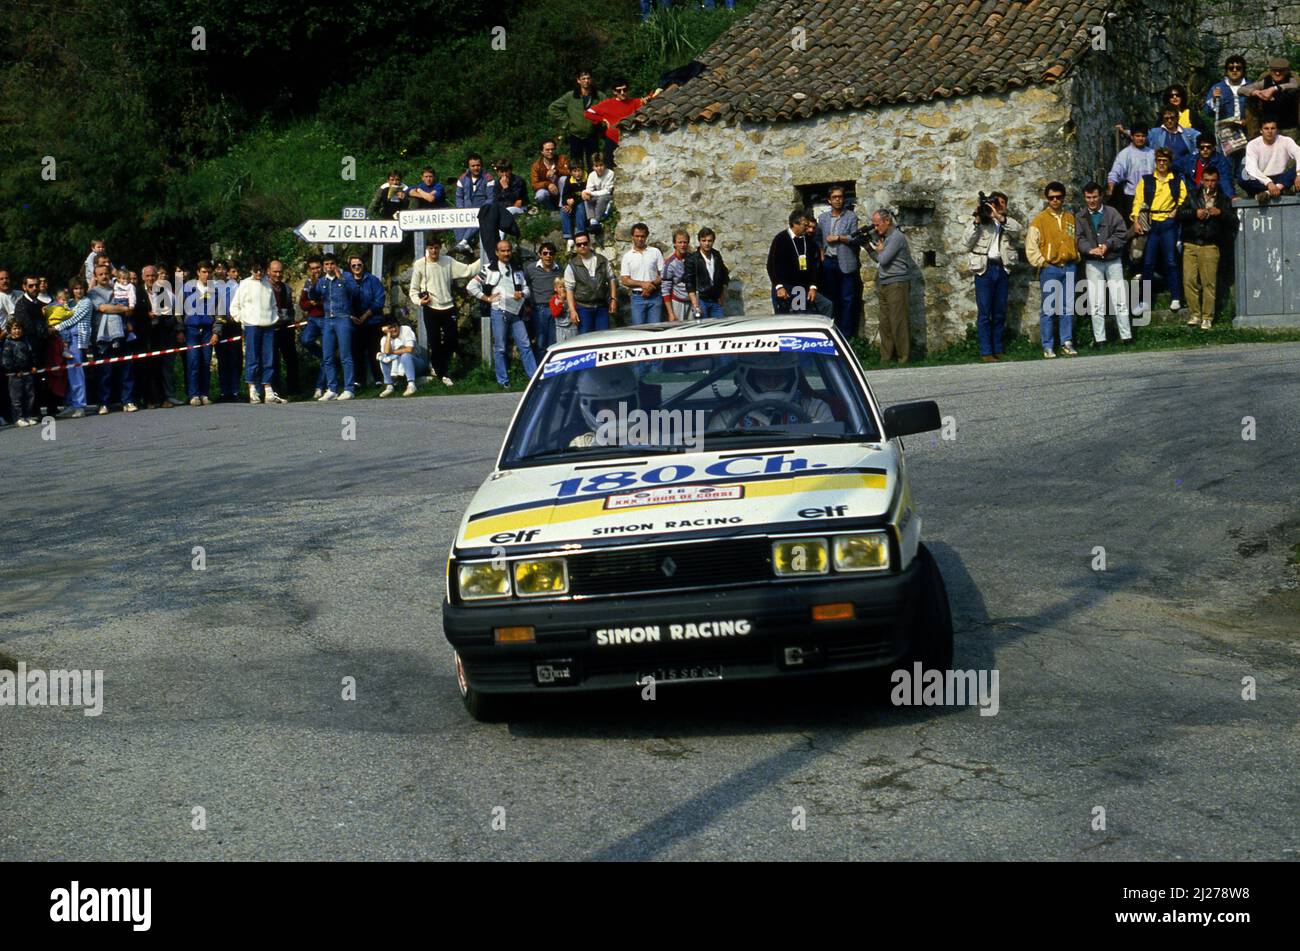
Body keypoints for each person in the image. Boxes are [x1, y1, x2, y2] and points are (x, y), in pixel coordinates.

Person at [409, 235, 478, 387]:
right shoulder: (420, 265)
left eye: (436, 247)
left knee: (452, 340)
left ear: (440, 248)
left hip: (448, 306)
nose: (434, 251)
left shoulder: (448, 261)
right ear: (427, 249)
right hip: (431, 308)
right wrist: (420, 301)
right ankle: (442, 372)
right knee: (434, 341)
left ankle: (439, 366)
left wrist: (486, 257)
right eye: (431, 248)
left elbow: (468, 270)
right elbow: (413, 290)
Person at [468, 239, 537, 389]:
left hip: (516, 311)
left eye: (508, 250)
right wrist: (486, 298)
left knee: (525, 345)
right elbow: (471, 286)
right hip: (499, 311)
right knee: (500, 347)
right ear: (497, 252)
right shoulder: (488, 269)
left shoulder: (517, 268)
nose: (506, 253)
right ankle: (503, 381)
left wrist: (522, 294)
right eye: (503, 251)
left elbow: (527, 289)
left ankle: (534, 378)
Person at [1177, 166, 1238, 331]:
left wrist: (1220, 213)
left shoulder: (1223, 199)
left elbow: (1234, 221)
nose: (1209, 183)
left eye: (1213, 180)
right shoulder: (1192, 195)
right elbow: (1180, 214)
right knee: (1189, 281)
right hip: (1191, 243)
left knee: (1208, 283)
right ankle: (1194, 314)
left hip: (1211, 245)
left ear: (1217, 181)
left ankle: (1207, 317)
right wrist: (1194, 213)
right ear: (1201, 180)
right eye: (1207, 180)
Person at [707, 352, 834, 431]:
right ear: (745, 377)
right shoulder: (725, 418)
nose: (772, 384)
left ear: (793, 376)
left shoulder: (814, 408)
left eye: (780, 377)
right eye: (764, 377)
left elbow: (830, 451)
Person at [1025, 182, 1081, 358]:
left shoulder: (1070, 218)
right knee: (1049, 308)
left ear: (1063, 198)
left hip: (1069, 266)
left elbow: (1075, 239)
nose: (1055, 200)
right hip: (1050, 268)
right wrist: (1042, 262)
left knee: (1068, 307)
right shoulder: (1039, 220)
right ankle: (1047, 346)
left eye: (1058, 197)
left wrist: (1076, 255)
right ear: (1047, 199)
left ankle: (1067, 342)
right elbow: (1031, 246)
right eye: (1051, 197)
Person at [963, 191, 1020, 360]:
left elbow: (1018, 231)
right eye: (995, 203)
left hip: (1002, 268)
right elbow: (966, 242)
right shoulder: (981, 220)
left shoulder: (1008, 223)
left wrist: (1000, 218)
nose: (998, 206)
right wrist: (977, 220)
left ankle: (998, 348)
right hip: (984, 270)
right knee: (985, 312)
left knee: (1000, 312)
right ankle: (986, 351)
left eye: (1002, 203)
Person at [1075, 183, 1132, 347]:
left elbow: (1121, 233)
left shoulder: (1112, 213)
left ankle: (1126, 335)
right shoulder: (1080, 217)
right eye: (1088, 197)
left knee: (1119, 298)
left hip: (1113, 260)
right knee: (1096, 301)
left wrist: (1108, 244)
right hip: (1093, 263)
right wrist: (1089, 250)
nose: (1091, 201)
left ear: (1100, 196)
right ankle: (1100, 339)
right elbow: (1078, 238)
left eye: (1094, 197)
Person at [1131, 149, 1188, 310]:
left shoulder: (1176, 180)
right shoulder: (1146, 180)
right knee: (1148, 262)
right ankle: (1145, 301)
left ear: (1169, 162)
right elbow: (1138, 201)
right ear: (1155, 162)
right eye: (1159, 160)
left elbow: (1184, 199)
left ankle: (1176, 297)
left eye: (1164, 160)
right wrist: (1136, 220)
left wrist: (1176, 210)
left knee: (1170, 260)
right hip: (1151, 223)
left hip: (1168, 223)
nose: (1161, 163)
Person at [865, 209, 917, 363]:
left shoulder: (896, 237)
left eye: (877, 224)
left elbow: (884, 259)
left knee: (898, 321)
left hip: (897, 283)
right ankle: (886, 357)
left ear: (887, 221)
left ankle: (904, 357)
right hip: (885, 282)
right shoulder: (885, 238)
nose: (875, 228)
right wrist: (869, 248)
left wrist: (879, 250)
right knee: (885, 323)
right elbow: (879, 259)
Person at [231, 261, 285, 404]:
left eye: (260, 270)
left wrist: (275, 318)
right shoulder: (244, 284)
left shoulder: (267, 285)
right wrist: (243, 319)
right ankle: (252, 389)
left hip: (268, 325)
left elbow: (273, 305)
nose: (258, 273)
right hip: (252, 325)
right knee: (252, 357)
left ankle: (268, 390)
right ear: (251, 270)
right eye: (256, 271)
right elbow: (234, 306)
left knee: (269, 357)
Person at [308, 253, 360, 401]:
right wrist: (312, 284)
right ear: (324, 267)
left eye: (332, 264)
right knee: (328, 356)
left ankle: (349, 388)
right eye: (327, 264)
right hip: (327, 319)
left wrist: (342, 278)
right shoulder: (322, 281)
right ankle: (332, 388)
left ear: (336, 264)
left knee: (345, 355)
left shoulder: (346, 277)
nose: (329, 267)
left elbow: (355, 292)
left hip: (342, 318)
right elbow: (314, 296)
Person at [88, 263, 137, 412]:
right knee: (105, 371)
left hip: (122, 333)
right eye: (100, 274)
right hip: (102, 337)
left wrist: (125, 309)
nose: (104, 276)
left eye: (106, 273)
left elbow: (130, 306)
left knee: (126, 369)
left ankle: (127, 400)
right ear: (95, 277)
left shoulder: (119, 288)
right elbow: (103, 308)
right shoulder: (93, 293)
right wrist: (121, 308)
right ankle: (104, 402)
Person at [816, 186, 863, 337]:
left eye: (840, 197)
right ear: (829, 200)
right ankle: (831, 334)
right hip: (829, 263)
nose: (838, 200)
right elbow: (817, 237)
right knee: (830, 299)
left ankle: (847, 336)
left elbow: (856, 238)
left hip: (846, 263)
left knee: (847, 299)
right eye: (835, 197)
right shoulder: (823, 218)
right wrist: (821, 252)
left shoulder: (850, 217)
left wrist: (839, 238)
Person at [584, 80, 657, 167]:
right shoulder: (607, 103)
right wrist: (602, 119)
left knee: (630, 165)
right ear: (614, 92)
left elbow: (648, 99)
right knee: (609, 165)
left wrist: (651, 96)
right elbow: (587, 113)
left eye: (625, 90)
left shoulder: (634, 102)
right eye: (619, 91)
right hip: (612, 138)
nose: (622, 93)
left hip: (629, 138)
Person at [1205, 55, 1252, 187]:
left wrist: (1248, 120)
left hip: (1246, 132)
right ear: (1226, 71)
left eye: (1238, 68)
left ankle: (1244, 193)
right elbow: (1207, 112)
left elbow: (1258, 110)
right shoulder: (1217, 88)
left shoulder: (1251, 86)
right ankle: (1228, 195)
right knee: (1226, 165)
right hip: (1226, 134)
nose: (1235, 70)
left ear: (1243, 70)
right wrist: (1214, 100)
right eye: (1231, 68)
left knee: (1245, 164)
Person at [548, 70, 605, 171]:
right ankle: (578, 185)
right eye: (583, 79)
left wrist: (602, 122)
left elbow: (608, 108)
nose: (586, 81)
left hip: (592, 134)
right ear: (578, 81)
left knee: (593, 162)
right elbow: (553, 108)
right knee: (576, 164)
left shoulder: (598, 96)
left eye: (588, 78)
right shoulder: (571, 96)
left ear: (591, 80)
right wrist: (566, 121)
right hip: (575, 135)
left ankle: (594, 184)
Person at [52, 279, 94, 417]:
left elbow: (73, 319)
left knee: (76, 372)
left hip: (78, 339)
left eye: (81, 288)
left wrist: (56, 327)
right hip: (66, 339)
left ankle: (80, 405)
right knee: (68, 373)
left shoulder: (86, 302)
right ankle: (70, 403)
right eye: (75, 288)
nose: (78, 291)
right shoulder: (69, 302)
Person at [766, 209, 819, 314]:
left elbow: (813, 266)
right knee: (785, 321)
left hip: (800, 288)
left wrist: (813, 286)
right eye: (805, 225)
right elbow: (771, 265)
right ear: (795, 224)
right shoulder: (780, 239)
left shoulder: (808, 241)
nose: (807, 228)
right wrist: (779, 286)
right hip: (784, 288)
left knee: (800, 318)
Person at [564, 233, 617, 333]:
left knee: (604, 338)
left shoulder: (602, 260)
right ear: (576, 246)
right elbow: (569, 289)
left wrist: (613, 299)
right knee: (585, 340)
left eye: (584, 243)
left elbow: (611, 279)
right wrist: (572, 310)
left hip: (602, 306)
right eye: (579, 244)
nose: (582, 246)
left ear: (589, 243)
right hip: (583, 308)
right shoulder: (572, 266)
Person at [347, 255, 386, 390]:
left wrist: (365, 316)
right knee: (356, 352)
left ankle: (378, 379)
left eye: (359, 265)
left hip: (372, 320)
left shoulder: (373, 280)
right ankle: (358, 380)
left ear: (363, 266)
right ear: (350, 268)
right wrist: (351, 316)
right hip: (353, 322)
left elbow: (379, 300)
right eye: (354, 266)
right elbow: (342, 300)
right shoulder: (346, 281)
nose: (357, 267)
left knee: (374, 350)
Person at [182, 261, 217, 405]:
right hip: (192, 329)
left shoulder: (214, 289)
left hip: (207, 330)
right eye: (203, 271)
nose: (206, 275)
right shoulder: (188, 287)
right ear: (198, 272)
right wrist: (179, 329)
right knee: (193, 362)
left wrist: (216, 332)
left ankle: (204, 393)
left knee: (205, 361)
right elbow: (179, 309)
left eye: (208, 272)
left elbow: (218, 312)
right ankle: (193, 394)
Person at [1107, 125, 1155, 223]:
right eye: (1138, 136)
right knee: (1133, 224)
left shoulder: (1152, 153)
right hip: (1131, 196)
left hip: (1150, 195)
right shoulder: (1125, 154)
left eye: (1143, 136)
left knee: (1149, 224)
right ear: (1132, 137)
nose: (1140, 139)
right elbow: (1116, 171)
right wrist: (1111, 186)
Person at [1242, 57, 1299, 140]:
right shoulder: (1265, 82)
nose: (1277, 73)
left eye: (1281, 71)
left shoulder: (1292, 80)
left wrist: (1274, 89)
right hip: (1269, 128)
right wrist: (1256, 93)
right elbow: (1241, 90)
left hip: (1289, 129)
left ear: (1286, 71)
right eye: (1274, 70)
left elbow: (1295, 85)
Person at [1241, 119, 1300, 197]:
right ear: (1261, 130)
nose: (1269, 131)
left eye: (1272, 128)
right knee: (1243, 179)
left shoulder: (1286, 141)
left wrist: (1299, 175)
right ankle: (1280, 189)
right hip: (1262, 179)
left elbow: (1298, 154)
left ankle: (1269, 192)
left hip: (1281, 178)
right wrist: (1268, 182)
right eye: (1266, 128)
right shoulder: (1253, 144)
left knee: (1294, 171)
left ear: (1277, 130)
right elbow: (1252, 168)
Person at [620, 222, 665, 325]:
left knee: (655, 329)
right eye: (637, 236)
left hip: (654, 296)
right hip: (637, 298)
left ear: (646, 236)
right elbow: (624, 280)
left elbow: (663, 274)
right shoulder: (627, 256)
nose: (640, 239)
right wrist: (642, 284)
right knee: (638, 331)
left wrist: (651, 286)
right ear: (632, 237)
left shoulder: (655, 252)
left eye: (642, 236)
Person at [524, 242, 562, 361]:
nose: (548, 256)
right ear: (540, 254)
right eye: (545, 253)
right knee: (540, 342)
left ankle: (553, 368)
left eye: (551, 253)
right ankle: (541, 370)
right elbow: (523, 285)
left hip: (555, 308)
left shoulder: (559, 269)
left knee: (554, 342)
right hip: (538, 309)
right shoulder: (531, 269)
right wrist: (526, 304)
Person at [266, 260, 298, 395]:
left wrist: (291, 320)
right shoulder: (264, 287)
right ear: (268, 271)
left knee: (291, 358)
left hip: (286, 328)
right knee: (273, 360)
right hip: (270, 328)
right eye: (275, 272)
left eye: (280, 271)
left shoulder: (286, 288)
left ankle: (293, 389)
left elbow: (290, 307)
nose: (278, 274)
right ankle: (275, 389)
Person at [212, 264, 243, 401]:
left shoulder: (234, 285)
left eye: (223, 269)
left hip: (233, 325)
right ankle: (224, 392)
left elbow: (240, 303)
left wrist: (235, 315)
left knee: (235, 359)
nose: (221, 271)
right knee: (222, 360)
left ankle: (235, 391)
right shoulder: (210, 286)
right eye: (218, 269)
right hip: (219, 327)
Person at [1147, 107, 1199, 187]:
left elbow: (1203, 139)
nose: (1169, 121)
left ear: (1177, 118)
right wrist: (1125, 131)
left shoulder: (1188, 133)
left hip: (1184, 176)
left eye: (1172, 118)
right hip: (1163, 175)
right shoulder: (1155, 133)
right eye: (1166, 118)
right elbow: (1140, 136)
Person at [297, 257, 327, 398]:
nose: (315, 271)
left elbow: (329, 301)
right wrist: (312, 303)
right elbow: (302, 303)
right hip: (313, 318)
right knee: (305, 340)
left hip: (326, 318)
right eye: (312, 268)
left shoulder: (328, 280)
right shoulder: (308, 283)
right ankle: (323, 355)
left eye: (317, 268)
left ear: (322, 267)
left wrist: (317, 303)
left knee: (328, 353)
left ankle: (320, 387)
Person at [685, 227, 730, 318]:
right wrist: (695, 302)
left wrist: (723, 293)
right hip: (701, 299)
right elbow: (689, 282)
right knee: (703, 328)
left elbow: (724, 274)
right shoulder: (693, 259)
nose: (707, 243)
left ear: (713, 241)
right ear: (699, 241)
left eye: (709, 241)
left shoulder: (716, 255)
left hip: (715, 300)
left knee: (720, 327)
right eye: (704, 240)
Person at [453, 154, 495, 253]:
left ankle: (464, 242)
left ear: (481, 165)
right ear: (468, 166)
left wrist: (483, 209)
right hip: (465, 210)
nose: (476, 168)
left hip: (481, 209)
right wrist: (461, 209)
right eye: (473, 166)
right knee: (456, 221)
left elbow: (491, 198)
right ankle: (463, 245)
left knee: (479, 218)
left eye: (478, 165)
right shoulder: (462, 178)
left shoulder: (489, 178)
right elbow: (459, 196)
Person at [1, 319, 38, 426]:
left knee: (30, 396)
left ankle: (28, 416)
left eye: (19, 328)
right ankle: (18, 418)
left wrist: (34, 365)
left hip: (27, 373)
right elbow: (6, 361)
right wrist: (15, 370)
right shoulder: (8, 343)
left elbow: (32, 354)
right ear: (9, 330)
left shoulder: (26, 341)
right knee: (16, 398)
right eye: (14, 329)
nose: (17, 331)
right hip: (15, 376)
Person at [377, 318, 418, 397]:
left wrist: (392, 352)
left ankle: (411, 385)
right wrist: (389, 334)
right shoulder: (384, 339)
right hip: (399, 366)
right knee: (382, 357)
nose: (394, 329)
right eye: (390, 328)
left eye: (395, 326)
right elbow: (386, 352)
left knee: (405, 355)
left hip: (416, 362)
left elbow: (409, 349)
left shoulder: (405, 329)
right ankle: (389, 386)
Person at [529, 139, 569, 211]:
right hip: (547, 192)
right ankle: (550, 210)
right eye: (547, 150)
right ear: (542, 151)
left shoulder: (562, 159)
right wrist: (548, 184)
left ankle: (562, 206)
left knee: (563, 178)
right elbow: (534, 185)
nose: (550, 152)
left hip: (562, 191)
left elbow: (570, 172)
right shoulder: (536, 165)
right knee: (540, 195)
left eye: (552, 149)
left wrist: (557, 171)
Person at [661, 230, 691, 321]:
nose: (682, 245)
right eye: (680, 242)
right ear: (675, 244)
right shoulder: (669, 263)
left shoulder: (692, 259)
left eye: (685, 242)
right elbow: (665, 289)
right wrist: (671, 313)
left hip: (692, 301)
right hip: (678, 301)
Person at [582, 154, 615, 234]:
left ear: (605, 165)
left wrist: (591, 193)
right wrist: (585, 193)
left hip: (608, 196)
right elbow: (589, 189)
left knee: (602, 198)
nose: (599, 168)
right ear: (593, 167)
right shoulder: (592, 175)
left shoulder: (610, 173)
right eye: (596, 166)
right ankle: (592, 219)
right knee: (586, 199)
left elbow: (607, 191)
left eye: (601, 165)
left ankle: (597, 220)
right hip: (596, 195)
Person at [558, 163, 587, 251]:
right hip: (572, 203)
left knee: (580, 208)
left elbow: (585, 195)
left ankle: (580, 233)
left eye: (579, 171)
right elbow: (564, 196)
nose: (577, 174)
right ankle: (569, 238)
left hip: (584, 203)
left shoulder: (587, 178)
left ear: (583, 171)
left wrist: (573, 203)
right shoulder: (569, 180)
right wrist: (567, 203)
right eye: (574, 171)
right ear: (571, 172)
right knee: (564, 211)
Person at [549, 276, 575, 344]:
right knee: (561, 345)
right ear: (555, 289)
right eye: (560, 287)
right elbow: (555, 313)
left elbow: (574, 307)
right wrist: (561, 301)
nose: (563, 289)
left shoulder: (570, 298)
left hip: (571, 326)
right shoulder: (553, 300)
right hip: (560, 328)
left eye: (564, 287)